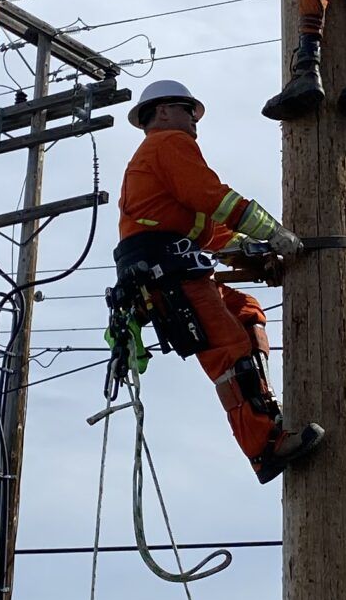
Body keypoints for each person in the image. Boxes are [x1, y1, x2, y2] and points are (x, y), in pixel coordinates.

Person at [113, 78, 325, 483]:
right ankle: (265, 446)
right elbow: (217, 199)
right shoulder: (167, 144)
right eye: (188, 110)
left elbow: (208, 229)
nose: (195, 120)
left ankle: (265, 407)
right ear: (162, 112)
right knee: (229, 350)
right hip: (169, 272)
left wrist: (255, 251)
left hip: (177, 269)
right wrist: (272, 232)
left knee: (247, 312)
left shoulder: (161, 163)